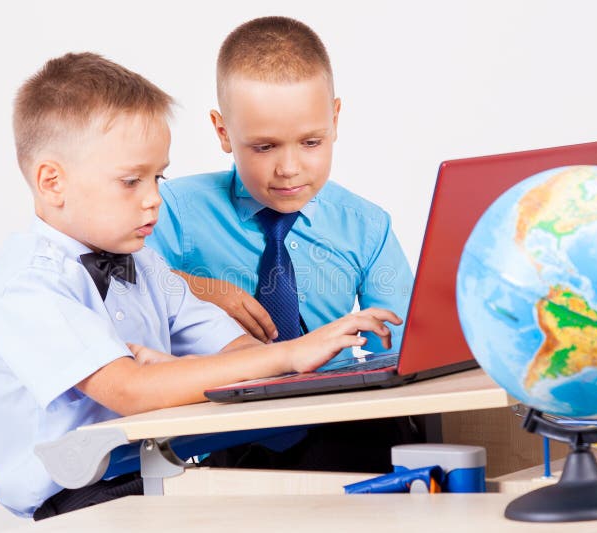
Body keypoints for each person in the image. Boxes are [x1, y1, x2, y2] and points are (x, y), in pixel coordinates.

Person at [0, 52, 399, 519]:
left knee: (349, 490)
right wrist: (291, 352)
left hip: (164, 478)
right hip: (81, 503)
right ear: (52, 182)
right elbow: (129, 391)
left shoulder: (146, 265)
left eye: (158, 177)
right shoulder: (29, 286)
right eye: (131, 181)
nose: (154, 199)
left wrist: (186, 366)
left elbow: (240, 352)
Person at [146, 16, 419, 471]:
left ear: (335, 119)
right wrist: (201, 287)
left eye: (311, 141)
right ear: (222, 133)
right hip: (224, 432)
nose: (289, 168)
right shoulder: (173, 209)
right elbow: (116, 280)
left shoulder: (365, 226)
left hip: (344, 423)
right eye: (264, 147)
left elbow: (407, 347)